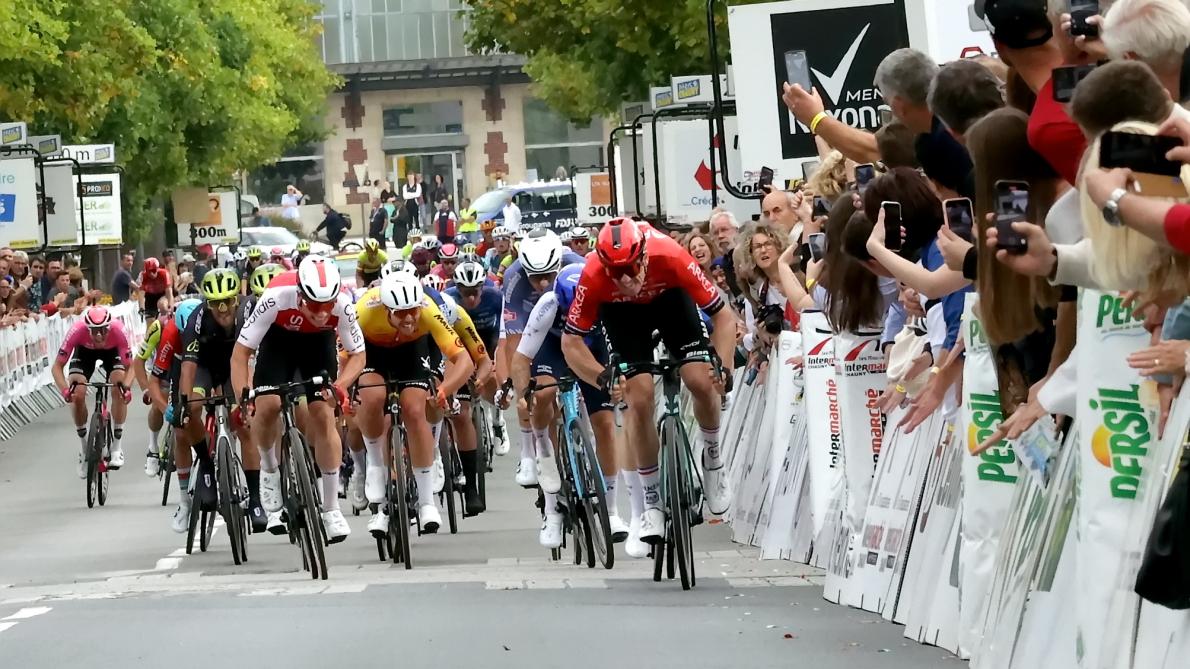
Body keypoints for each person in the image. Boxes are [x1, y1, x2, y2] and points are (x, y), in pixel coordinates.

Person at [561, 219, 737, 543]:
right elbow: (571, 343)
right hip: (622, 315)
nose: (626, 278)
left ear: (642, 255)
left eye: (630, 268)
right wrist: (600, 376)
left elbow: (723, 317)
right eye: (616, 272)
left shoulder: (670, 255)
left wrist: (724, 367)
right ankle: (652, 501)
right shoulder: (593, 274)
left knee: (700, 380)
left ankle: (713, 456)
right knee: (638, 398)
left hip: (671, 300)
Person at [231, 256, 365, 541]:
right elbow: (241, 353)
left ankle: (330, 508)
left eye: (326, 305)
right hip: (278, 342)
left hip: (318, 345)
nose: (321, 312)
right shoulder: (276, 297)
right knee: (267, 406)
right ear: (300, 295)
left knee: (323, 413)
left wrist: (340, 386)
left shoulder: (341, 305)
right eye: (315, 305)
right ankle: (270, 473)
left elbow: (358, 355)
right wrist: (244, 395)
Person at [513, 262, 628, 550]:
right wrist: (522, 396)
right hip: (553, 352)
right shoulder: (548, 303)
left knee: (603, 424)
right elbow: (521, 358)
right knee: (544, 393)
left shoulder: (604, 299)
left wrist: (618, 380)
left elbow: (620, 349)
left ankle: (611, 510)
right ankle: (551, 504)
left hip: (592, 349)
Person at [353, 272, 474, 535]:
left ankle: (427, 502)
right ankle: (374, 466)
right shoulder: (364, 309)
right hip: (373, 352)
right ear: (386, 308)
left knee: (415, 410)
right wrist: (346, 389)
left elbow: (464, 360)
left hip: (411, 353)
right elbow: (345, 355)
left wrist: (445, 389)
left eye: (412, 312)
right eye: (401, 313)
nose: (408, 318)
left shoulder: (428, 310)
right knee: (372, 396)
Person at [172, 269, 266, 534]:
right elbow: (189, 366)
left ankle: (256, 499)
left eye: (228, 301)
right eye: (215, 303)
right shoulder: (197, 318)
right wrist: (182, 402)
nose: (222, 309)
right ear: (207, 303)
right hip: (205, 366)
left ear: (237, 298)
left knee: (244, 425)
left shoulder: (250, 310)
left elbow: (250, 360)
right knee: (192, 408)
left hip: (236, 366)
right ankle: (205, 463)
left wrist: (247, 397)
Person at [52, 306, 133, 475]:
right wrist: (65, 390)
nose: (98, 335)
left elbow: (132, 366)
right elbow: (57, 367)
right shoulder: (77, 330)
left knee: (118, 387)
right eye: (94, 330)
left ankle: (117, 448)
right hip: (84, 352)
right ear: (87, 328)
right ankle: (84, 449)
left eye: (102, 330)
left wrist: (126, 387)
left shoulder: (119, 330)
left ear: (109, 327)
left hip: (112, 353)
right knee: (77, 394)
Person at [446, 260, 511, 455]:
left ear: (483, 287)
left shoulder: (495, 297)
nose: (472, 298)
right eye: (466, 293)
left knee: (493, 377)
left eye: (476, 291)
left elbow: (503, 337)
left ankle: (498, 420)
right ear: (458, 290)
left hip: (489, 340)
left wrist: (494, 363)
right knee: (461, 403)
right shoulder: (449, 300)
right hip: (461, 343)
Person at [138, 257, 174, 323]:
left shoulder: (164, 273)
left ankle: (165, 322)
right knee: (150, 322)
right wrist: (141, 308)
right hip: (150, 296)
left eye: (154, 270)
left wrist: (170, 305)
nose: (152, 274)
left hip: (162, 294)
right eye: (149, 271)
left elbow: (169, 292)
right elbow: (141, 294)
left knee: (162, 304)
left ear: (157, 268)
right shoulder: (143, 275)